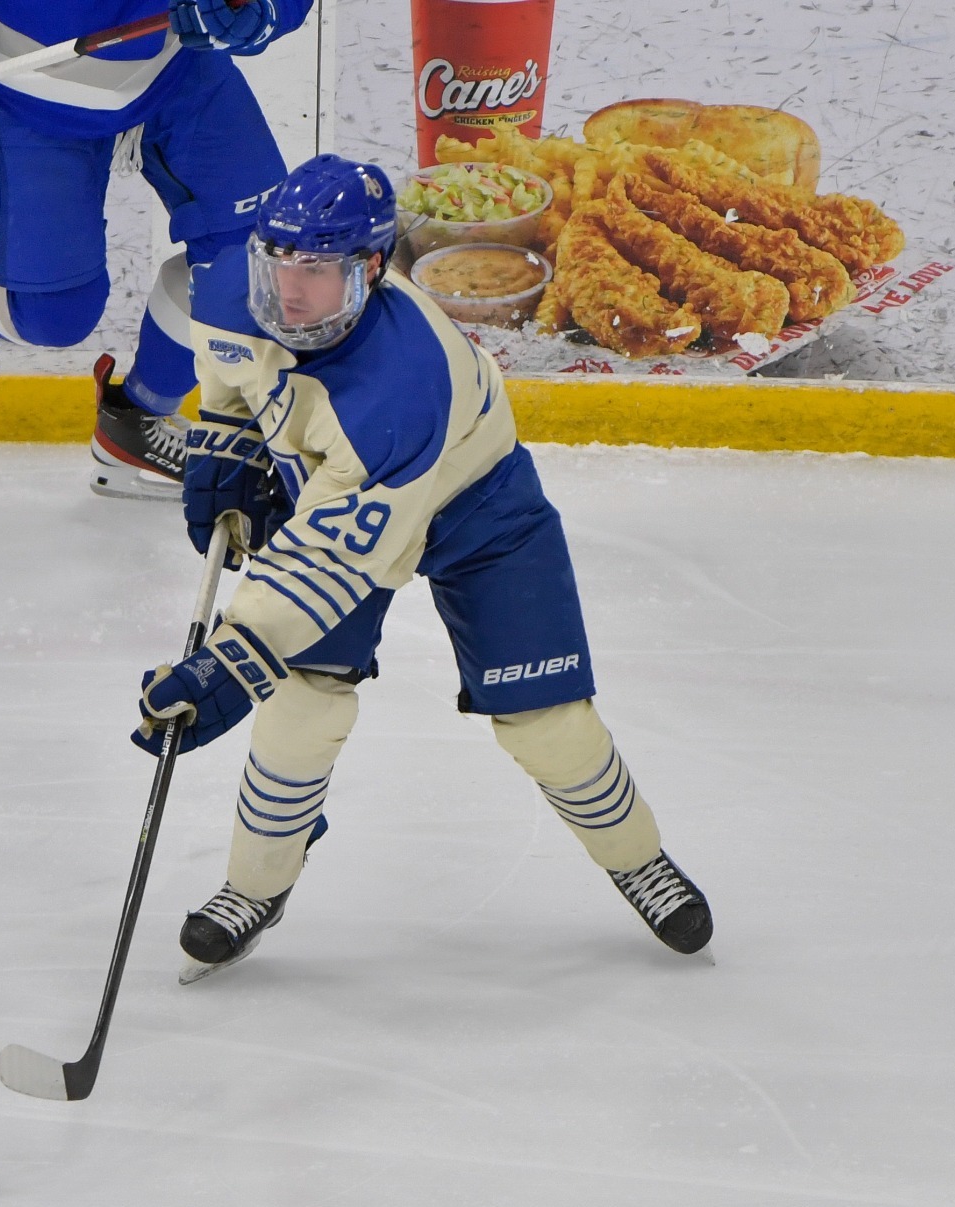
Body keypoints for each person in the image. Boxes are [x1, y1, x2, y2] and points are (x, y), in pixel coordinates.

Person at [132, 154, 713, 980]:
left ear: (370, 271)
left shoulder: (400, 389)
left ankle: (639, 860)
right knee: (301, 701)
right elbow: (228, 372)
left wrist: (226, 664)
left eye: (318, 271)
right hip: (343, 487)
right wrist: (225, 446)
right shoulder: (233, 286)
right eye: (279, 262)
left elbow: (325, 561)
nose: (288, 291)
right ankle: (254, 887)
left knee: (548, 721)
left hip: (477, 506)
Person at [0, 0, 312, 499]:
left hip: (177, 63)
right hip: (26, 82)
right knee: (55, 317)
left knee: (262, 262)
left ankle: (137, 421)